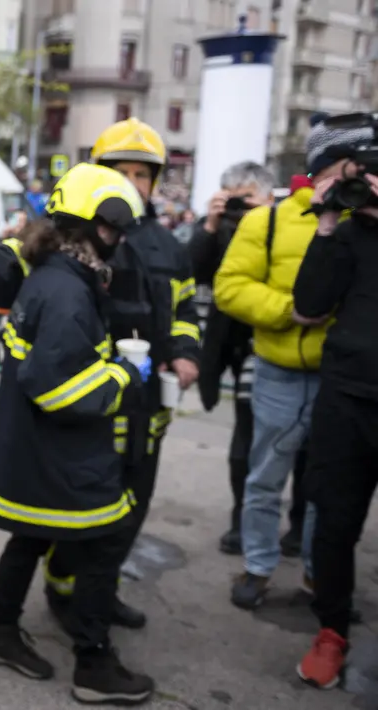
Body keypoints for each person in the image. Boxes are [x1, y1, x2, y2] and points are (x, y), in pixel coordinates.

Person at [0, 117, 202, 630]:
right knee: (88, 521)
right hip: (96, 405)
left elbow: (182, 312)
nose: (134, 182)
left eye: (143, 174)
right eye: (121, 172)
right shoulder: (67, 257)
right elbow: (1, 265)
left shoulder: (167, 249)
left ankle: (92, 599)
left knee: (125, 512)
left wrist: (183, 353)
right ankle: (76, 608)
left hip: (141, 410)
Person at [0, 163, 154, 705]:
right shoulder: (68, 293)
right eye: (117, 231)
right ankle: (93, 663)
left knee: (29, 539)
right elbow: (58, 391)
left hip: (37, 454)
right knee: (102, 544)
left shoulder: (53, 276)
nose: (121, 243)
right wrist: (124, 375)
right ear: (98, 227)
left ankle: (0, 632)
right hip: (63, 458)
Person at [213, 120, 367, 610]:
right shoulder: (269, 220)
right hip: (277, 373)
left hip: (341, 379)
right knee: (264, 478)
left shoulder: (366, 221)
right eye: (352, 164)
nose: (360, 174)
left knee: (328, 486)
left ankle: (319, 575)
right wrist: (289, 311)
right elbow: (230, 288)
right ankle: (259, 566)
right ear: (323, 167)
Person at [189, 162, 309, 557]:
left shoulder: (285, 227)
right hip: (236, 350)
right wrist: (211, 226)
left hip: (284, 345)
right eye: (232, 197)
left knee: (303, 445)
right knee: (247, 441)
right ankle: (244, 519)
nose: (241, 206)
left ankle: (298, 527)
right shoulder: (219, 230)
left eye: (248, 198)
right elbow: (191, 272)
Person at [292, 156, 378, 690]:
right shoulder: (350, 233)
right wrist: (326, 221)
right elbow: (308, 305)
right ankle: (331, 631)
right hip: (348, 397)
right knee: (334, 520)